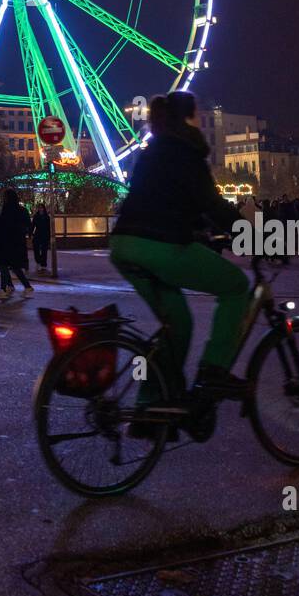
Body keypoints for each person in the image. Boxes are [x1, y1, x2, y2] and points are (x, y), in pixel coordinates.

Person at [110, 92, 248, 398]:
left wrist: (197, 232)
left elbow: (165, 200)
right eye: (198, 114)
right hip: (159, 246)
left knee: (178, 325)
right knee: (236, 287)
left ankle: (151, 409)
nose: (201, 120)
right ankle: (214, 369)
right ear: (188, 118)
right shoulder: (186, 151)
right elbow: (210, 204)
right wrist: (252, 234)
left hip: (123, 245)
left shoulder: (150, 152)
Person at [0, 189, 35, 295]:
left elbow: (1, 225)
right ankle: (26, 286)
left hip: (7, 242)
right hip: (18, 242)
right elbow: (28, 225)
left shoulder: (6, 210)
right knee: (15, 266)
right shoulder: (22, 210)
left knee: (4, 265)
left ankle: (3, 289)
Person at [31, 202, 51, 272]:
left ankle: (43, 264)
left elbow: (49, 227)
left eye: (41, 208)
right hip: (38, 234)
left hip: (44, 235)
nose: (40, 209)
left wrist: (49, 236)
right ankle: (39, 262)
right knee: (36, 249)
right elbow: (33, 225)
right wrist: (31, 233)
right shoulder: (36, 216)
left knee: (44, 250)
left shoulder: (47, 217)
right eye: (39, 208)